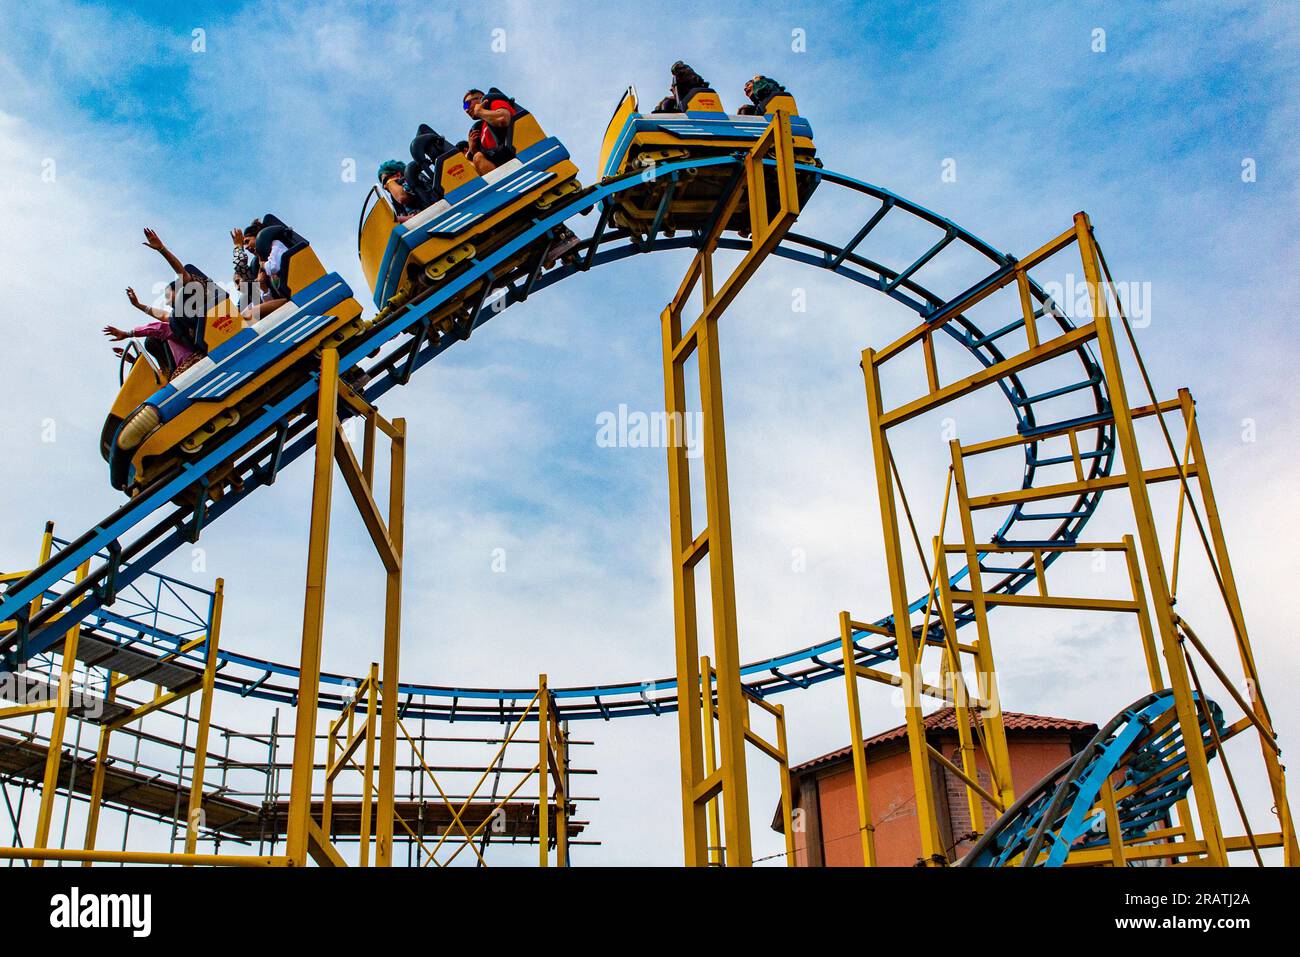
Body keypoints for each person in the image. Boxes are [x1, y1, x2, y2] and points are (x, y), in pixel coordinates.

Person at [104, 285, 201, 380]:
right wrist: (135, 361)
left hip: (194, 364)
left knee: (157, 334)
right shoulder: (179, 322)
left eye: (168, 296)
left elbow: (160, 328)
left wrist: (128, 333)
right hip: (188, 371)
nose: (167, 303)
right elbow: (164, 317)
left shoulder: (182, 321)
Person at [236, 218, 291, 321]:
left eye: (247, 242)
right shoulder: (260, 263)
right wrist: (264, 287)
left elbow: (274, 267)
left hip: (293, 297)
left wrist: (263, 264)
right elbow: (268, 301)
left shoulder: (276, 245)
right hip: (283, 302)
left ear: (259, 237)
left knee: (249, 314)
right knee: (244, 315)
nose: (247, 247)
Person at [463, 88, 518, 174]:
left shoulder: (493, 103)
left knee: (478, 157)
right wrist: (472, 150)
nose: (466, 110)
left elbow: (503, 119)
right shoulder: (479, 129)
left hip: (513, 154)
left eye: (467, 104)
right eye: (464, 107)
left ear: (480, 98)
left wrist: (480, 112)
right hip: (498, 163)